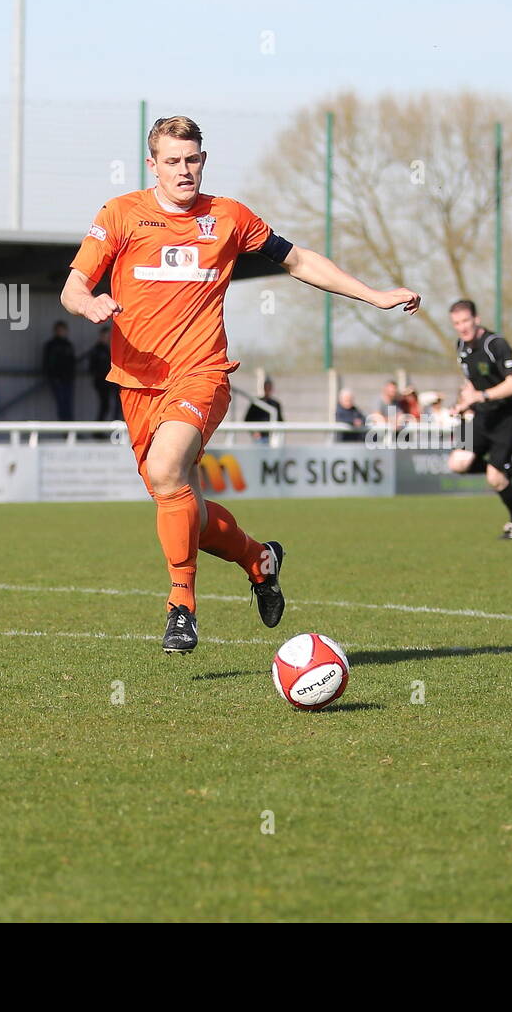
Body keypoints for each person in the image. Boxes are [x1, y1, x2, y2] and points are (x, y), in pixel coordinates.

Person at [60, 114, 420, 653]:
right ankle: (259, 559)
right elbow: (72, 286)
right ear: (151, 165)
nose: (185, 171)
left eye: (193, 159)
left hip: (202, 373)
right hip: (136, 383)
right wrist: (89, 304)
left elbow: (297, 260)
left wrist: (373, 295)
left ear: (203, 159)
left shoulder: (227, 217)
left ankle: (181, 607)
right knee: (188, 512)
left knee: (165, 471)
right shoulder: (120, 215)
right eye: (173, 161)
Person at [447, 299, 512, 539]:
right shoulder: (461, 346)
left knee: (494, 477)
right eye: (456, 323)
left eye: (465, 321)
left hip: (507, 416)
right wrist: (464, 403)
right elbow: (470, 381)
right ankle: (505, 469)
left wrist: (481, 396)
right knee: (457, 463)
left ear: (476, 319)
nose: (462, 327)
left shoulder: (495, 344)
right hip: (483, 415)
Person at [42, 321, 77, 422]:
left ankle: (70, 429)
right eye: (59, 330)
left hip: (68, 378)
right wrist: (51, 377)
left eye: (63, 330)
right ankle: (64, 429)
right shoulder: (51, 345)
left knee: (68, 403)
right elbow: (47, 363)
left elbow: (72, 362)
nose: (61, 332)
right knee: (61, 404)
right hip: (56, 379)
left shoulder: (68, 345)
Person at [90, 326, 119, 422]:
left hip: (112, 381)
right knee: (105, 405)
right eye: (105, 336)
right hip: (101, 381)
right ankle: (99, 430)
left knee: (118, 404)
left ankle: (116, 426)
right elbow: (92, 367)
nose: (107, 338)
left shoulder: (111, 349)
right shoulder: (97, 350)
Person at [243, 378, 284, 443]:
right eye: (266, 387)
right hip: (259, 438)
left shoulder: (276, 404)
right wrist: (254, 432)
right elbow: (247, 419)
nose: (267, 389)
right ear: (263, 388)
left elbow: (280, 421)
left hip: (272, 437)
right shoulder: (256, 403)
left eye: (269, 387)